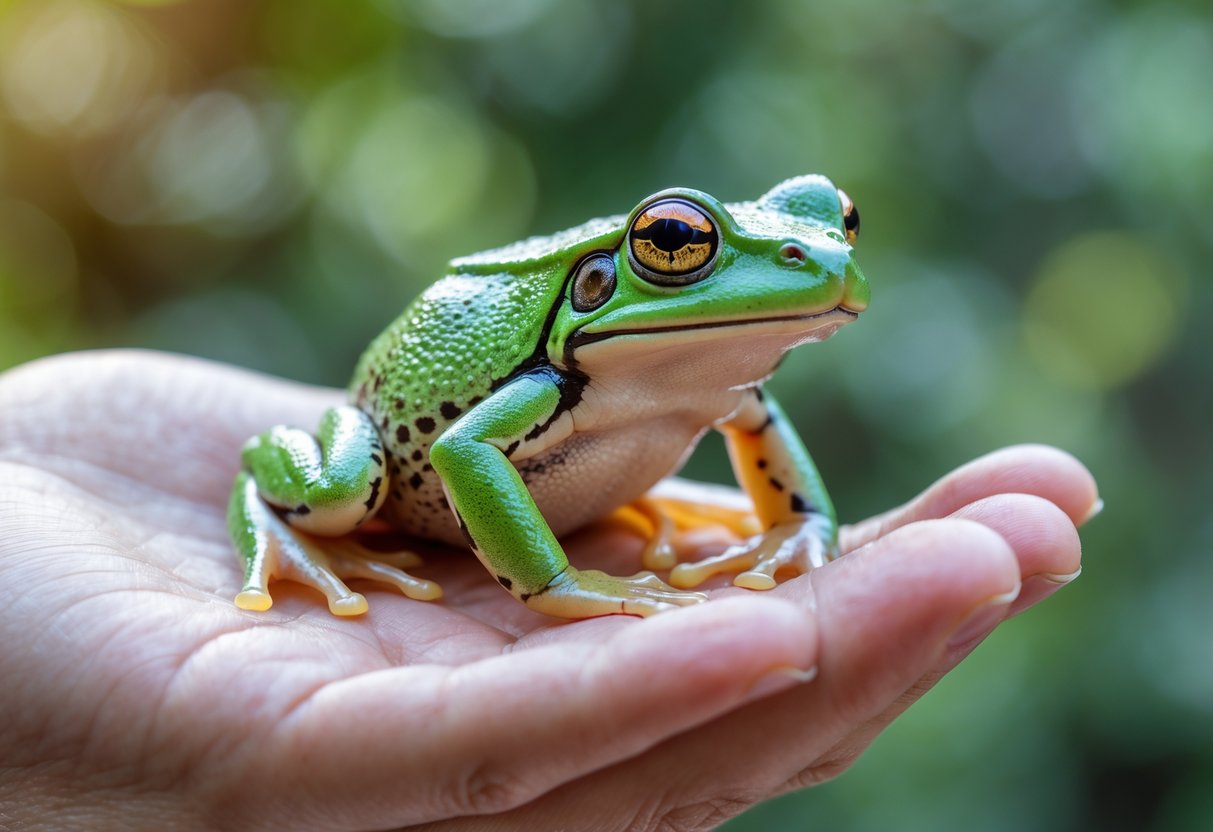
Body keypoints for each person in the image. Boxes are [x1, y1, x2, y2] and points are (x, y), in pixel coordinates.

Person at [0, 351, 1098, 831]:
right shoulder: (559, 371)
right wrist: (555, 583)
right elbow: (466, 450)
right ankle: (275, 531)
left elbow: (753, 418)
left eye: (834, 231)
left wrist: (801, 526)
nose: (811, 260)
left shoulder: (719, 379)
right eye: (681, 247)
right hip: (391, 457)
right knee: (331, 490)